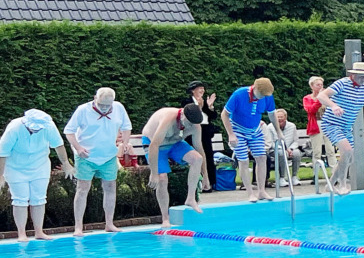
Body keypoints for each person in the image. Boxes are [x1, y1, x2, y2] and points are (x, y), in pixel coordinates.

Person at [65, 88, 132, 234]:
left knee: (110, 188)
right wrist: (78, 148)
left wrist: (125, 143)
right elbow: (69, 131)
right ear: (95, 98)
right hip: (86, 156)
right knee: (82, 189)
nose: (104, 108)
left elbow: (127, 127)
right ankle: (78, 227)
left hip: (108, 156)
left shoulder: (119, 108)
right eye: (101, 105)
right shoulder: (83, 110)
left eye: (108, 106)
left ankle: (109, 223)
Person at [0, 107, 72, 241]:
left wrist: (66, 164)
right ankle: (22, 233)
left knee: (39, 198)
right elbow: (2, 153)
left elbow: (59, 145)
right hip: (15, 168)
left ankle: (39, 231)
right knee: (20, 199)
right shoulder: (14, 128)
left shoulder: (49, 126)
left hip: (40, 165)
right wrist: (0, 175)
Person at [140, 97, 207, 227]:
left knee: (197, 158)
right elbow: (154, 145)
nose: (190, 126)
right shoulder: (168, 119)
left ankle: (191, 198)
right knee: (162, 178)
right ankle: (165, 218)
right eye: (188, 123)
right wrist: (154, 173)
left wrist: (206, 176)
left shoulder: (195, 124)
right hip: (154, 145)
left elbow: (200, 149)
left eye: (192, 124)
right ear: (182, 114)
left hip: (174, 143)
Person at [222, 78, 277, 202]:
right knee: (243, 160)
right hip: (237, 129)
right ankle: (250, 193)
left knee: (262, 157)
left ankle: (262, 191)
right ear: (255, 89)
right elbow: (224, 114)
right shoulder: (239, 94)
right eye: (262, 95)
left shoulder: (267, 96)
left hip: (255, 130)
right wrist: (231, 134)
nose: (264, 97)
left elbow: (272, 114)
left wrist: (278, 132)